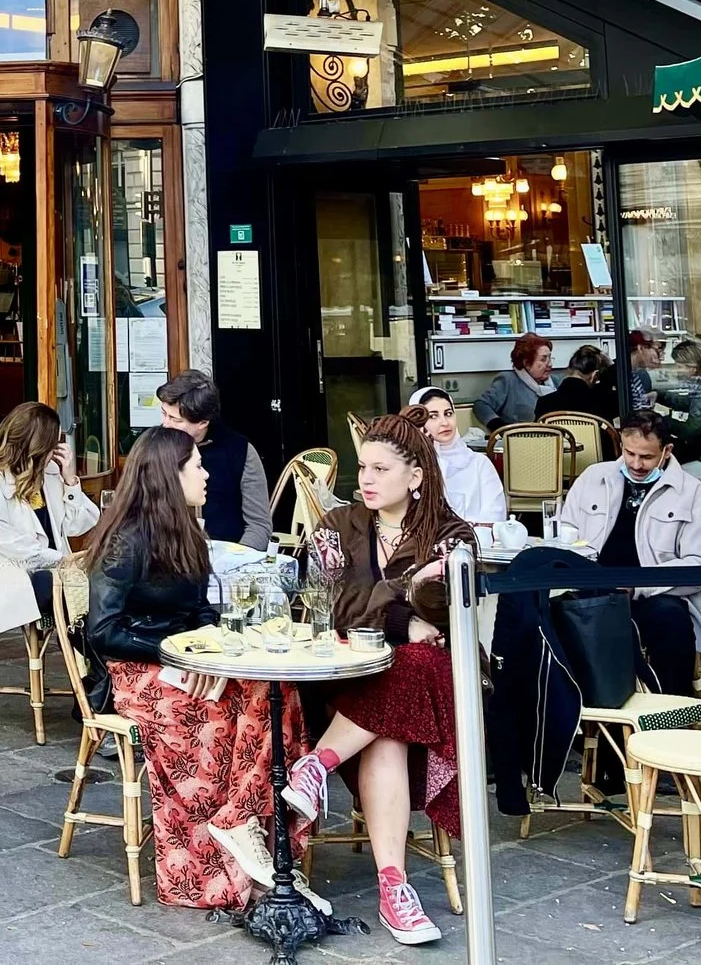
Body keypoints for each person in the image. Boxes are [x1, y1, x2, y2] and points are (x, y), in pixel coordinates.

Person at [80, 425, 303, 913]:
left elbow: (201, 610)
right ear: (168, 475)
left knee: (274, 689)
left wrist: (212, 649)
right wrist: (181, 655)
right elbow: (103, 631)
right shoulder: (125, 539)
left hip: (187, 658)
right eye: (196, 466)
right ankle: (232, 843)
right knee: (220, 716)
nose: (207, 473)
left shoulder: (188, 531)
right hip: (139, 671)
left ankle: (240, 820)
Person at [285, 415, 474, 946]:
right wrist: (401, 606)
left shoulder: (452, 536)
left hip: (423, 688)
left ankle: (316, 765)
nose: (366, 478)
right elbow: (326, 605)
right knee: (398, 691)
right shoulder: (335, 527)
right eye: (363, 467)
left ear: (415, 475)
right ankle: (394, 889)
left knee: (412, 668)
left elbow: (442, 614)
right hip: (343, 679)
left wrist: (404, 599)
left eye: (380, 468)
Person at [552, 411, 701, 693]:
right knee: (549, 613)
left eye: (647, 457)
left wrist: (638, 584)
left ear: (667, 451)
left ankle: (671, 708)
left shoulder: (692, 494)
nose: (636, 464)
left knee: (670, 620)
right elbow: (565, 534)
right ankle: (575, 712)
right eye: (629, 453)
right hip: (592, 588)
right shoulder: (594, 478)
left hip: (657, 594)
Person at [0, 400, 100, 631]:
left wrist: (70, 480)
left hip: (59, 576)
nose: (57, 449)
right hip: (17, 580)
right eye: (54, 443)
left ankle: (89, 653)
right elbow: (3, 542)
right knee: (82, 592)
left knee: (105, 585)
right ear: (37, 445)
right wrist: (59, 559)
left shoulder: (49, 476)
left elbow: (81, 524)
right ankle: (88, 653)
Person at [155, 369, 269, 550]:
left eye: (175, 420)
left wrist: (236, 560)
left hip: (227, 554)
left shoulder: (240, 451)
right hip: (166, 557)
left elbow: (259, 526)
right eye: (164, 414)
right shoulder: (155, 447)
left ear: (202, 422)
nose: (165, 424)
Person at [402, 388, 504, 526]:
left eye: (448, 414)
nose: (444, 422)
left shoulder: (479, 464)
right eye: (433, 416)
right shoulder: (410, 468)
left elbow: (496, 518)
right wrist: (427, 455)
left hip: (477, 543)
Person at [472, 336, 555, 431]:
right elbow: (481, 405)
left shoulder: (556, 382)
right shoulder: (508, 381)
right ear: (527, 363)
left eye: (550, 358)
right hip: (519, 440)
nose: (550, 364)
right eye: (543, 360)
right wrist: (498, 425)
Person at [534, 345, 619, 424]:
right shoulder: (603, 401)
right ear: (595, 376)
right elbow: (627, 397)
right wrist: (611, 366)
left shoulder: (544, 403)